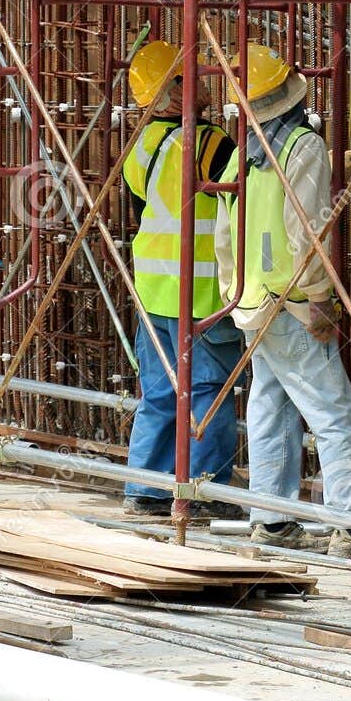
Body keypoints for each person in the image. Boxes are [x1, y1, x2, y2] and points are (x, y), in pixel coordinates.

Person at [213, 42, 351, 560]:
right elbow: (307, 230)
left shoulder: (241, 153)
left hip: (253, 303)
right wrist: (317, 296)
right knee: (335, 413)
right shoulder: (301, 146)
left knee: (271, 407)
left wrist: (235, 290)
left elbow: (223, 235)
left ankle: (271, 521)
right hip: (291, 301)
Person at [120, 40, 244, 518]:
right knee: (208, 393)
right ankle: (207, 492)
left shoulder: (141, 145)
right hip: (201, 294)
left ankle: (145, 489)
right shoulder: (210, 143)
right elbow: (246, 202)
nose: (197, 80)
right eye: (183, 76)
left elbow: (142, 208)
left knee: (159, 391)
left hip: (153, 291)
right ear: (169, 93)